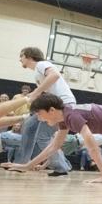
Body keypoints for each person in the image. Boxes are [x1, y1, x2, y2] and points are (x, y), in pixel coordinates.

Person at [15, 46, 77, 176]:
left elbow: (54, 75)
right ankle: (22, 162)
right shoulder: (37, 73)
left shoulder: (42, 64)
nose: (20, 59)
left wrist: (35, 93)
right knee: (29, 125)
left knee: (43, 137)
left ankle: (61, 167)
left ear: (29, 56)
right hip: (53, 106)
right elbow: (43, 92)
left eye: (21, 56)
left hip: (62, 106)